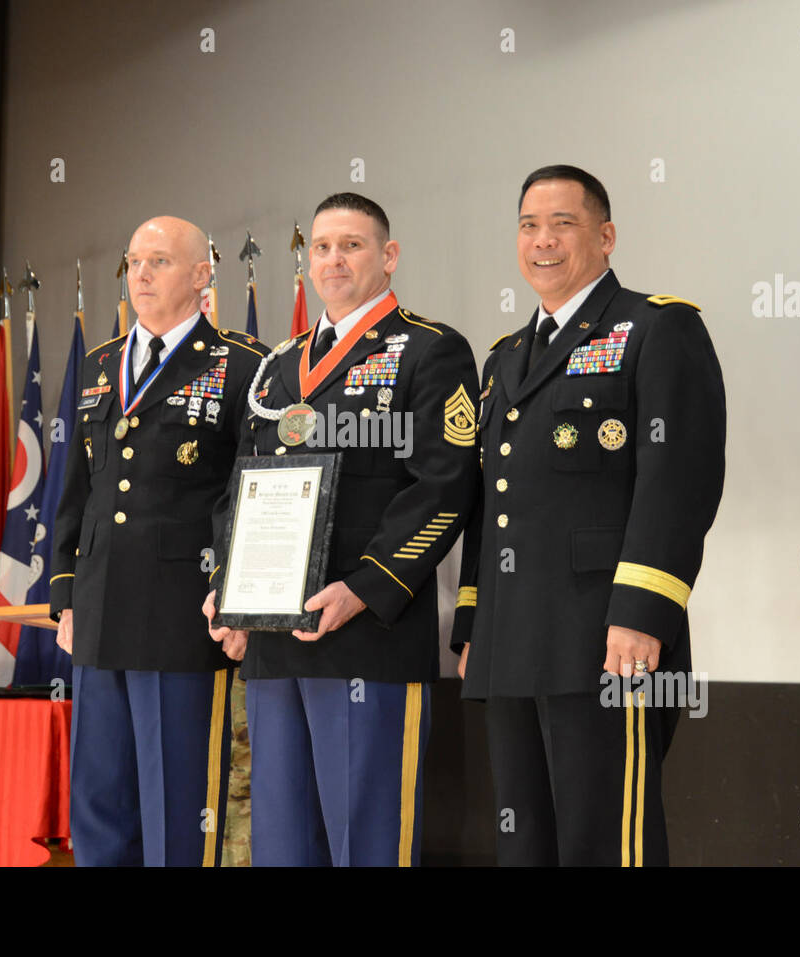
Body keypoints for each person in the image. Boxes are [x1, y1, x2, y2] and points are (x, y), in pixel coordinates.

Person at [451, 166, 726, 866]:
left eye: (562, 224)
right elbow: (493, 504)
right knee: (526, 844)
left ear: (604, 237)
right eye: (528, 225)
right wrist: (475, 624)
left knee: (606, 841)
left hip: (604, 638)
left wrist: (640, 611)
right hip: (513, 641)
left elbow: (679, 482)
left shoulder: (658, 328)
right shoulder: (503, 358)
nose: (542, 240)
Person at [203, 193, 479, 866]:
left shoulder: (430, 350)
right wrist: (227, 587)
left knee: (368, 841)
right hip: (273, 646)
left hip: (368, 640)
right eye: (322, 246)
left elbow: (443, 488)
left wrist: (362, 588)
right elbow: (238, 486)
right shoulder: (276, 366)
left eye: (352, 245)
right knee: (281, 843)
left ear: (387, 257)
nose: (334, 259)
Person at [48, 215, 267, 866]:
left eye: (160, 261)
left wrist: (237, 596)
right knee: (97, 807)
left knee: (177, 814)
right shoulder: (99, 365)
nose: (141, 274)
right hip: (96, 614)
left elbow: (246, 496)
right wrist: (65, 595)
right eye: (134, 262)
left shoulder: (242, 367)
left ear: (202, 276)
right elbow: (77, 494)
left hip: (182, 621)